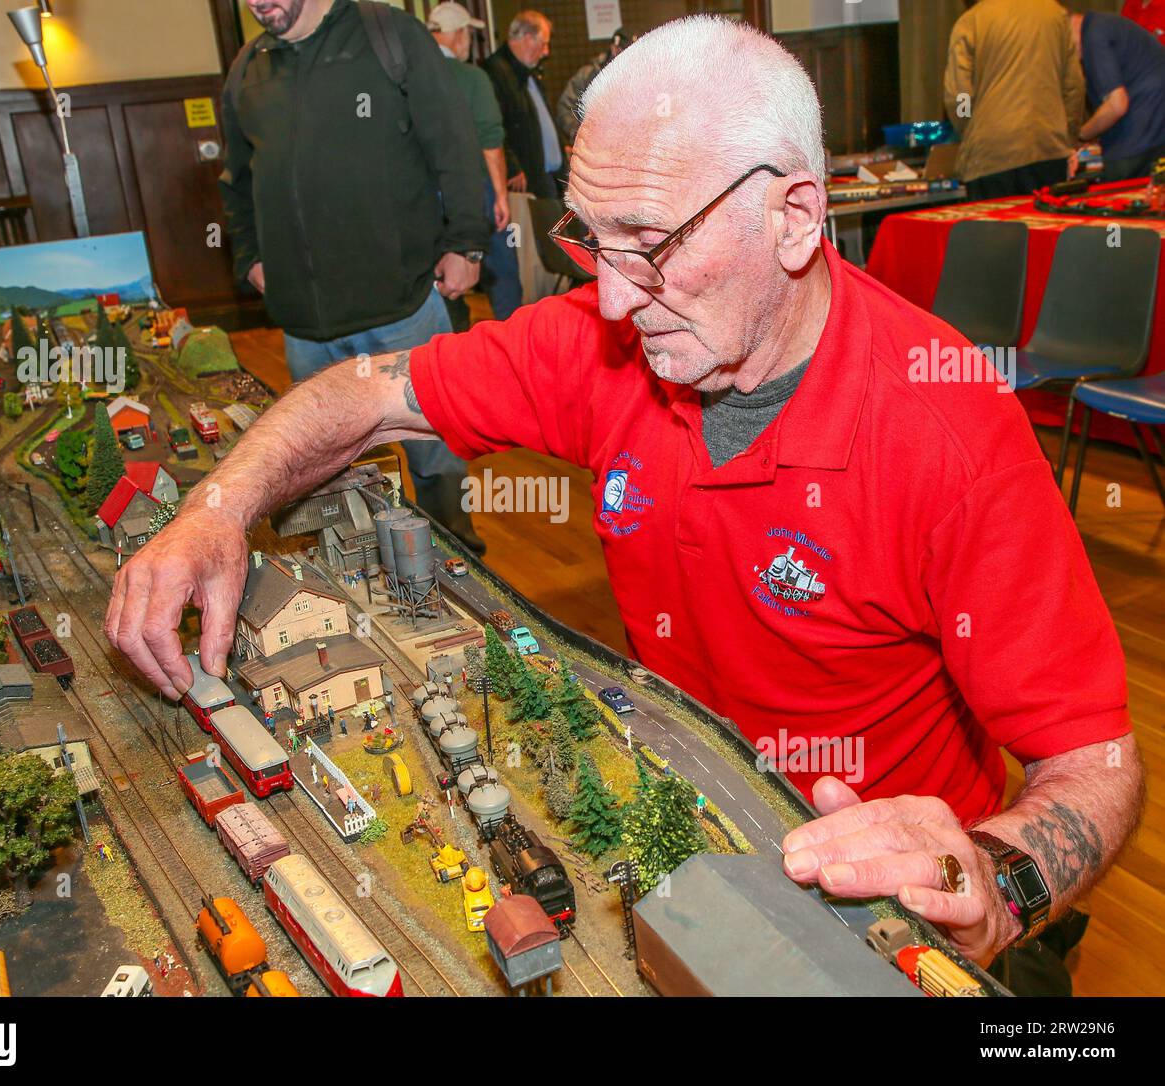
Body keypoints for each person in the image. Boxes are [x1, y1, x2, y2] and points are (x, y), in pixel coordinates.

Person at [108, 17, 1142, 995]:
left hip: (873, 906)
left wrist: (998, 884)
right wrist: (217, 505)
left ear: (792, 217)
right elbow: (369, 393)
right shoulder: (613, 337)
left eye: (648, 241)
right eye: (590, 240)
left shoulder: (947, 431)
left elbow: (1093, 762)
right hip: (682, 825)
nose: (608, 295)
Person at [221, 0, 489, 551]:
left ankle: (465, 572)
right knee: (323, 480)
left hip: (401, 311)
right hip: (306, 330)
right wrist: (249, 255)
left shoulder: (388, 36)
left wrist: (467, 242)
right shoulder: (249, 66)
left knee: (436, 461)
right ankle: (357, 596)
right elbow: (236, 178)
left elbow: (455, 142)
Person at [426, 2, 521, 326]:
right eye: (467, 33)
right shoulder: (471, 78)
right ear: (457, 35)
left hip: (425, 195)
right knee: (502, 274)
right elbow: (490, 141)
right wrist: (500, 196)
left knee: (441, 279)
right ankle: (514, 345)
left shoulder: (410, 78)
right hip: (474, 189)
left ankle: (450, 348)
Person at [944, 0, 1085, 199]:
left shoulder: (971, 21)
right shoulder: (1055, 13)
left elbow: (960, 94)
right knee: (1043, 226)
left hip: (991, 152)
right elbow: (1074, 86)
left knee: (996, 229)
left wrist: (967, 127)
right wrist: (1067, 137)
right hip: (1048, 145)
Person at [1070, 9, 1165, 182]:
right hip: (1154, 132)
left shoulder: (1093, 37)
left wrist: (1080, 135)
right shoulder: (1105, 24)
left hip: (1139, 137)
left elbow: (1116, 105)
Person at [483, 12, 563, 200]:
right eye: (543, 44)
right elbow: (494, 126)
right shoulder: (495, 73)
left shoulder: (528, 72)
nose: (546, 52)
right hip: (528, 181)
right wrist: (511, 166)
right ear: (527, 39)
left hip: (547, 177)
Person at [557, 29, 633, 145]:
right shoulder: (588, 75)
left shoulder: (640, 74)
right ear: (614, 49)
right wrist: (580, 135)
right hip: (596, 150)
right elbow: (566, 107)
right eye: (627, 51)